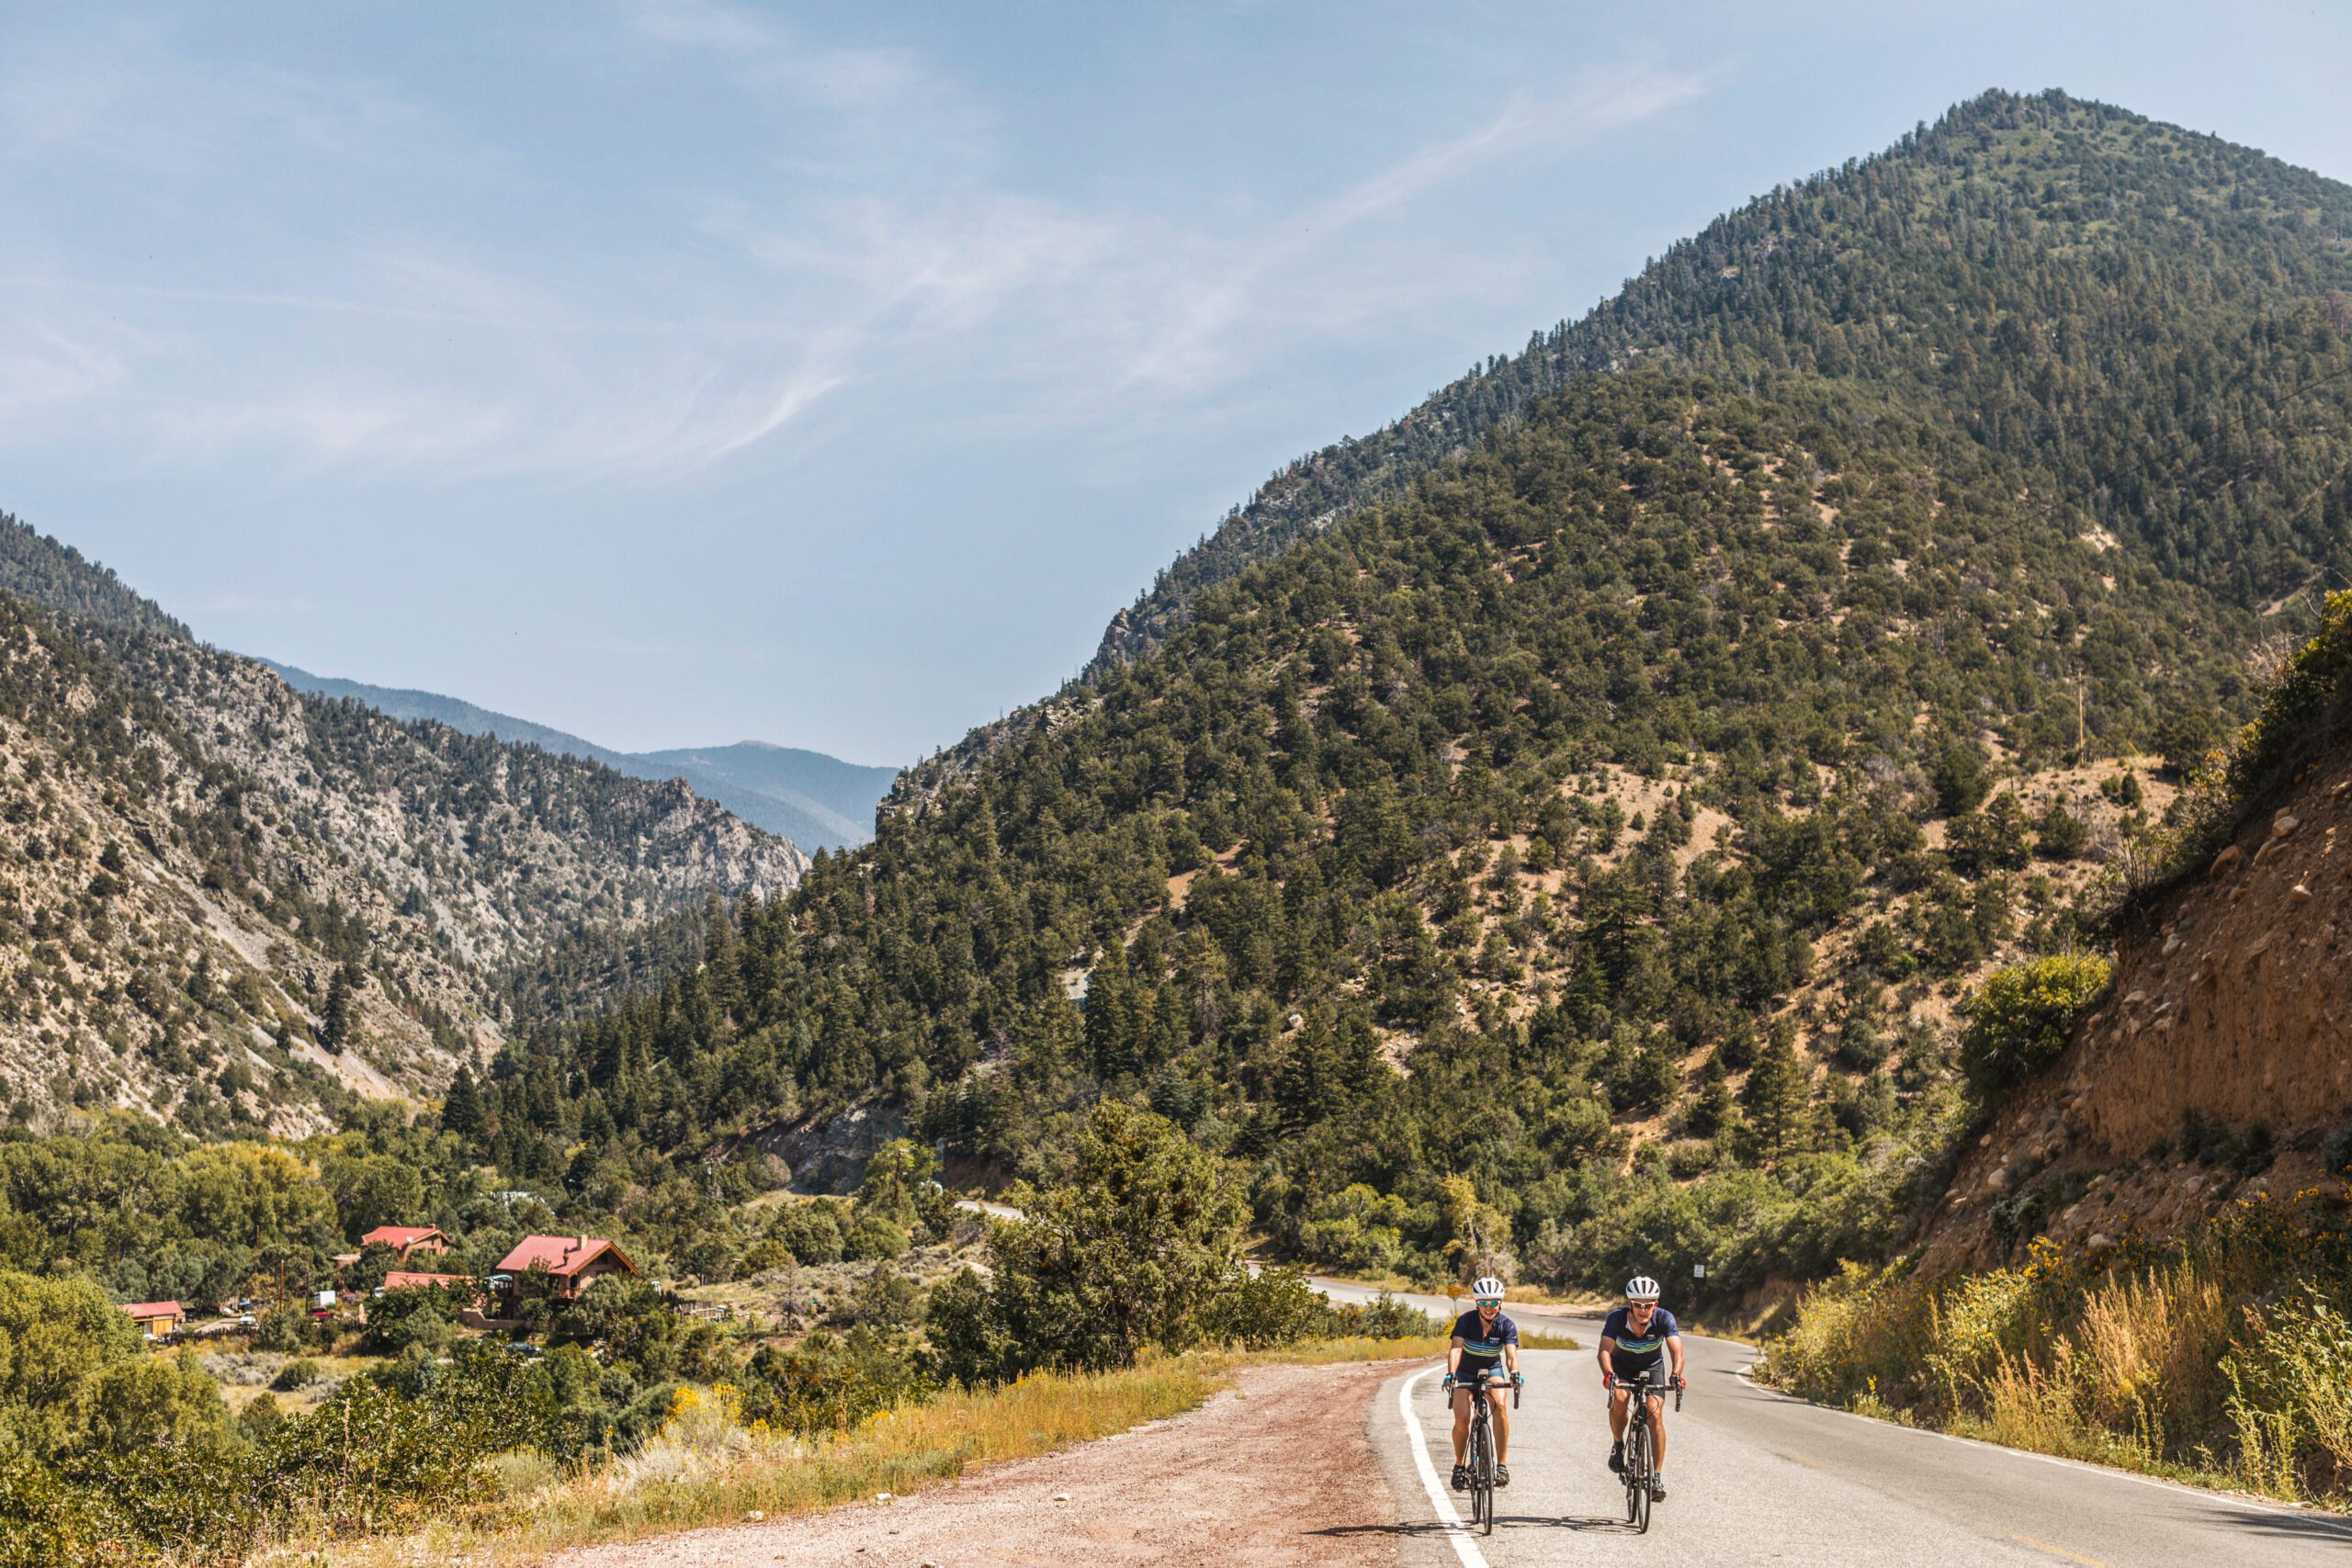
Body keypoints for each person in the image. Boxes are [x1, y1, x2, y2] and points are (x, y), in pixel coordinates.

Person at [1597, 1274, 1685, 1500]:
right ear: (1630, 1304)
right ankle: (1618, 1444)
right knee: (1620, 1398)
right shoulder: (1617, 1318)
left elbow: (1677, 1351)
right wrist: (1609, 1374)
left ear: (1656, 1304)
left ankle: (1656, 1477)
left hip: (1652, 1366)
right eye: (1638, 1305)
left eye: (1648, 1305)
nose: (1643, 1310)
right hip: (1622, 1366)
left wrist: (1676, 1374)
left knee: (1655, 1416)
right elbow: (1605, 1350)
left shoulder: (1665, 1318)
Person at [1443, 1276, 1523, 1492]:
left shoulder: (1506, 1325)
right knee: (1462, 1419)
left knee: (1500, 1405)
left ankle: (1502, 1465)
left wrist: (1514, 1372)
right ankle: (1459, 1466)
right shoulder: (1465, 1321)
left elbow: (1510, 1355)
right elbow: (1456, 1349)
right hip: (1464, 1371)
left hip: (1492, 1370)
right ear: (1477, 1303)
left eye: (1493, 1302)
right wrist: (1451, 1374)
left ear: (1500, 1302)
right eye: (1484, 1303)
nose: (1489, 1308)